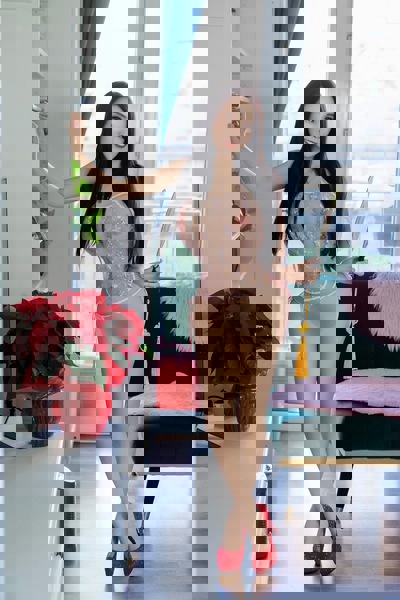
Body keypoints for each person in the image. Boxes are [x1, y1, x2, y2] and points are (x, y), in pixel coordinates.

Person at [39, 83, 185, 576]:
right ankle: (118, 514)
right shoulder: (94, 179)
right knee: (98, 408)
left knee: (119, 408)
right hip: (91, 307)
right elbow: (55, 201)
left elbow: (167, 186)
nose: (117, 137)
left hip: (126, 308)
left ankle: (127, 519)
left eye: (125, 129)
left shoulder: (139, 182)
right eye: (111, 128)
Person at [270, 79, 356, 575]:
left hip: (327, 296)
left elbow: (337, 241)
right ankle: (324, 512)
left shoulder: (334, 171)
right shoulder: (294, 169)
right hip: (300, 297)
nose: (320, 122)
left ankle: (328, 514)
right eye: (314, 114)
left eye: (327, 115)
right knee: (309, 413)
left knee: (324, 411)